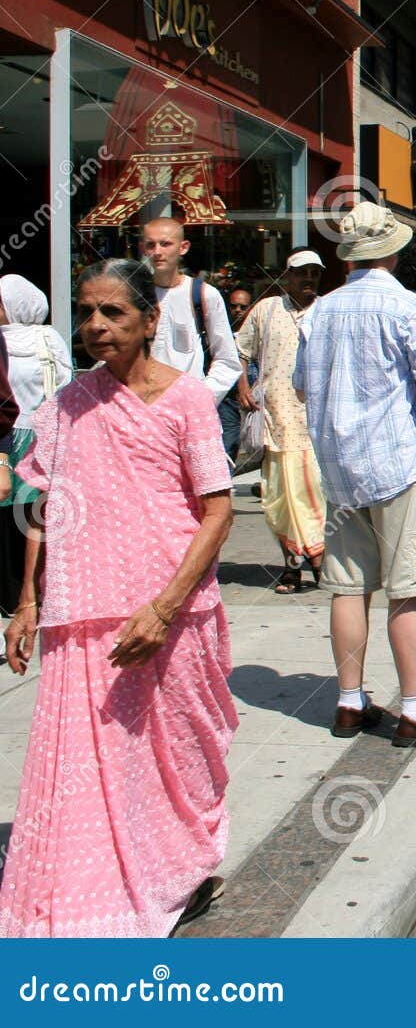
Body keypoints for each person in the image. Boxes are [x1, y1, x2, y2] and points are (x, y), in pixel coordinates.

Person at [1, 259, 235, 936]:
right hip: (83, 617)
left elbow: (218, 512)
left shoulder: (188, 398)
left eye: (115, 313)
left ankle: (180, 871)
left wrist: (163, 608)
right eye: (88, 312)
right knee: (94, 766)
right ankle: (97, 883)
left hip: (174, 609)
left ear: (150, 320)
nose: (97, 326)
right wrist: (26, 600)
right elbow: (48, 508)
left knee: (179, 756)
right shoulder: (68, 404)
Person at [294, 201, 416, 748]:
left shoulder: (319, 311)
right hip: (399, 461)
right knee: (407, 589)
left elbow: (302, 385)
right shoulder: (408, 306)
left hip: (340, 467)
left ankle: (349, 700)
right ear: (393, 250)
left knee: (347, 587)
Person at [236, 249, 326, 593]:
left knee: (311, 495)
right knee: (276, 499)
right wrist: (243, 385)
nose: (308, 280)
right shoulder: (267, 310)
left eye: (315, 275)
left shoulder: (326, 311)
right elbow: (240, 350)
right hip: (273, 419)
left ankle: (316, 558)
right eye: (302, 274)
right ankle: (294, 565)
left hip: (313, 425)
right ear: (286, 276)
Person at [0, 277, 69, 615]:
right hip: (5, 436)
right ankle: (10, 594)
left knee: (33, 516)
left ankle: (38, 590)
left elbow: (64, 381)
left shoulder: (46, 338)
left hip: (36, 435)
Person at [140, 217, 242, 412]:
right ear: (143, 248)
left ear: (183, 247)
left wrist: (201, 399)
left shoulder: (203, 294)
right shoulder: (134, 294)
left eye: (166, 244)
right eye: (151, 245)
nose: (158, 251)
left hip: (189, 412)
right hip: (143, 411)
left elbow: (227, 360)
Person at [218, 286, 254, 459]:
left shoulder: (258, 334)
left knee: (261, 444)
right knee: (227, 445)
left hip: (254, 399)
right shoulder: (219, 335)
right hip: (228, 401)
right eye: (234, 306)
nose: (238, 310)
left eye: (243, 307)